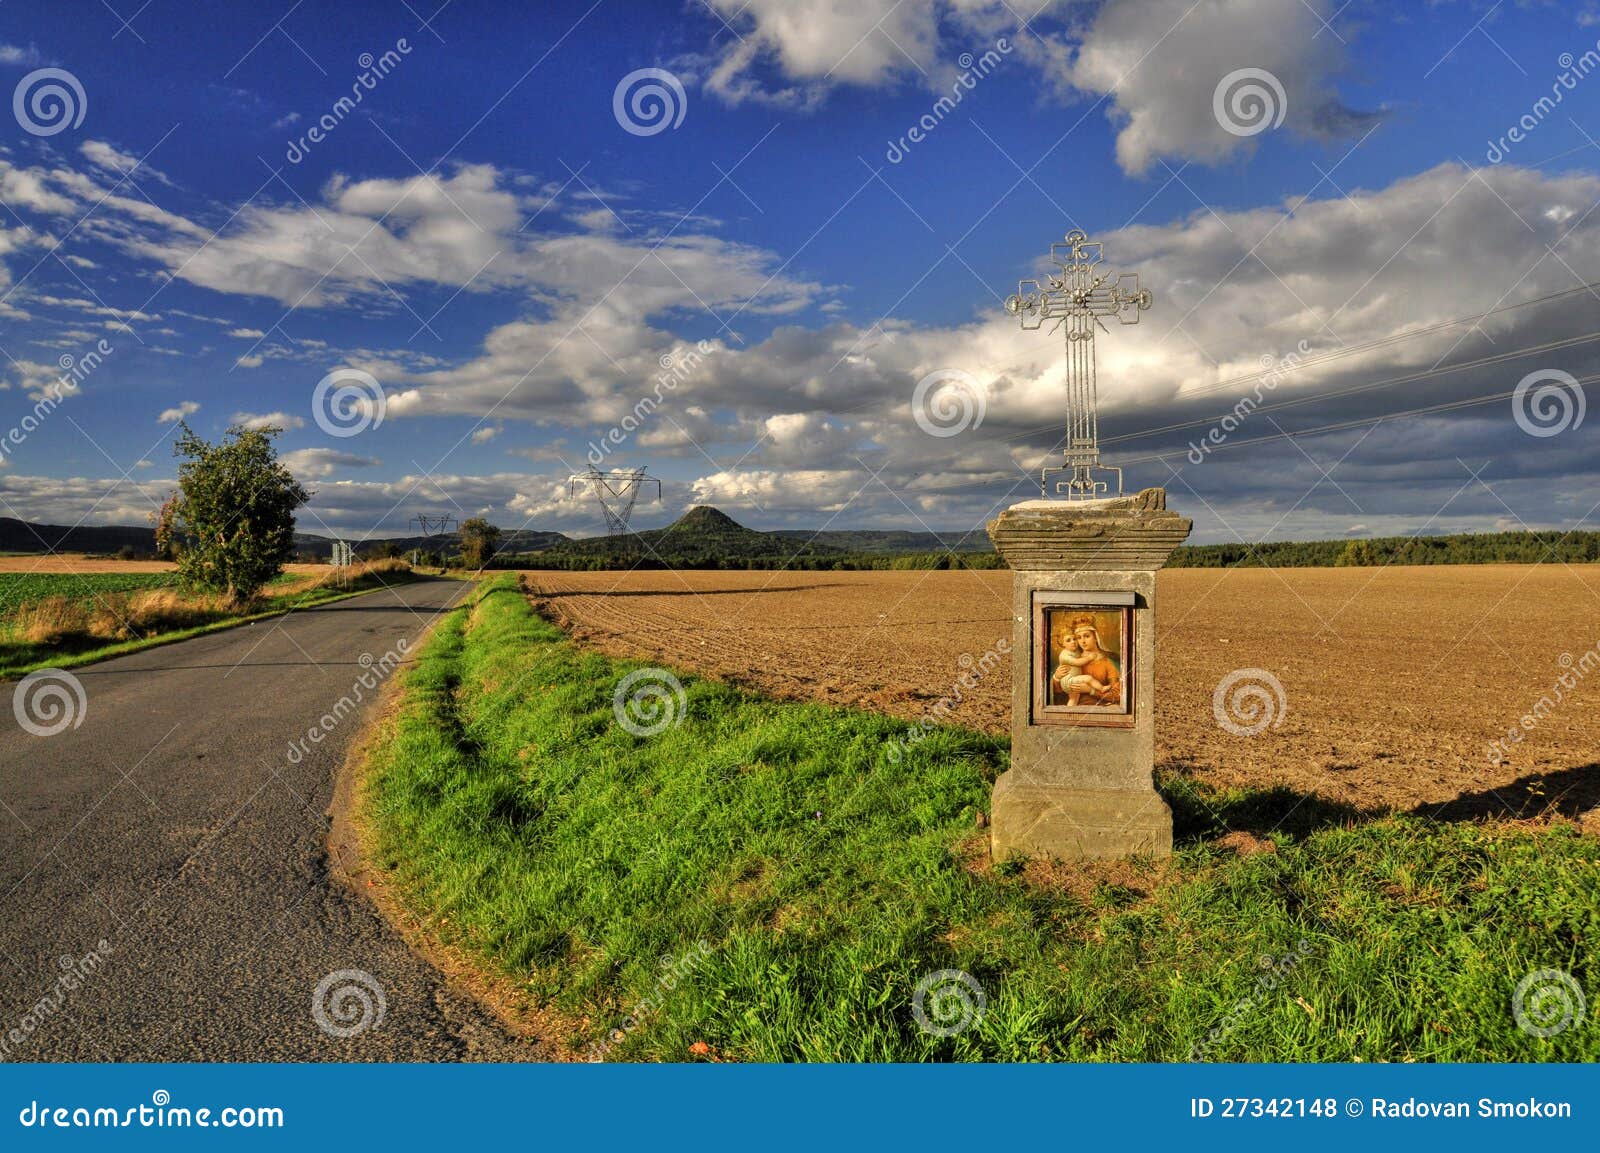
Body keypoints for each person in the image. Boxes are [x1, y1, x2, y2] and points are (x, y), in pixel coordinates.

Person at [1052, 614, 1121, 707]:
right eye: (1079, 638)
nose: (1082, 641)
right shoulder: (1073, 659)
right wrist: (1056, 678)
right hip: (1076, 709)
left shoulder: (1108, 662)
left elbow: (1118, 695)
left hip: (1101, 708)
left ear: (1096, 637)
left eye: (1087, 636)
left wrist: (1091, 691)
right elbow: (1060, 693)